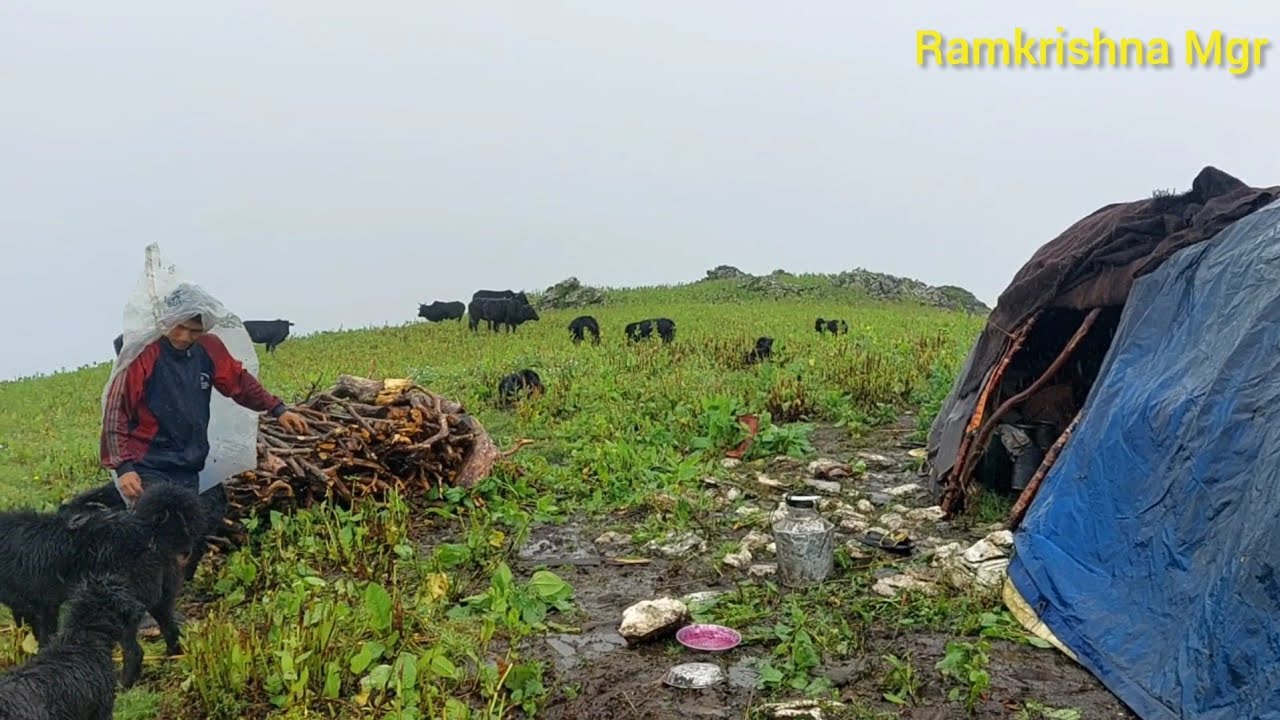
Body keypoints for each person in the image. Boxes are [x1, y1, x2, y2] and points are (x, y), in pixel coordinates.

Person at [99, 309, 309, 582]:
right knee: (157, 532)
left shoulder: (208, 349)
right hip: (148, 460)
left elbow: (240, 383)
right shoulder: (144, 353)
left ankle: (172, 595)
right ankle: (142, 602)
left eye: (195, 331)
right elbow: (116, 412)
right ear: (165, 322)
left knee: (196, 527)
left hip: (188, 461)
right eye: (180, 328)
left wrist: (277, 409)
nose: (185, 337)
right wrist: (124, 466)